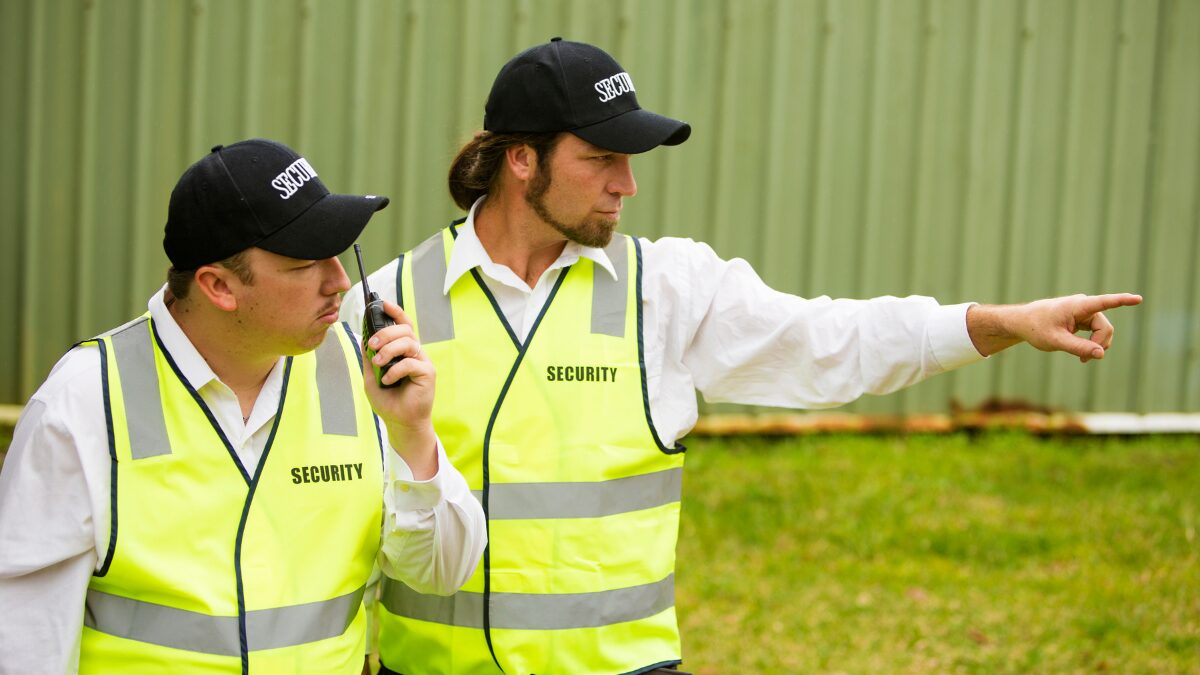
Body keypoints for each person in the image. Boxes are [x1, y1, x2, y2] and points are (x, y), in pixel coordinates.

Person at [340, 39, 1143, 675]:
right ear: (522, 159)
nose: (628, 185)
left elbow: (835, 343)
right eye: (601, 159)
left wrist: (1000, 320)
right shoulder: (381, 304)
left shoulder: (670, 288)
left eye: (632, 160)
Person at [0, 139, 487, 674]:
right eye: (307, 262)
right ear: (218, 286)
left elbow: (444, 571)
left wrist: (413, 434)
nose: (340, 282)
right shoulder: (86, 398)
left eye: (338, 254)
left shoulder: (363, 371)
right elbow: (25, 639)